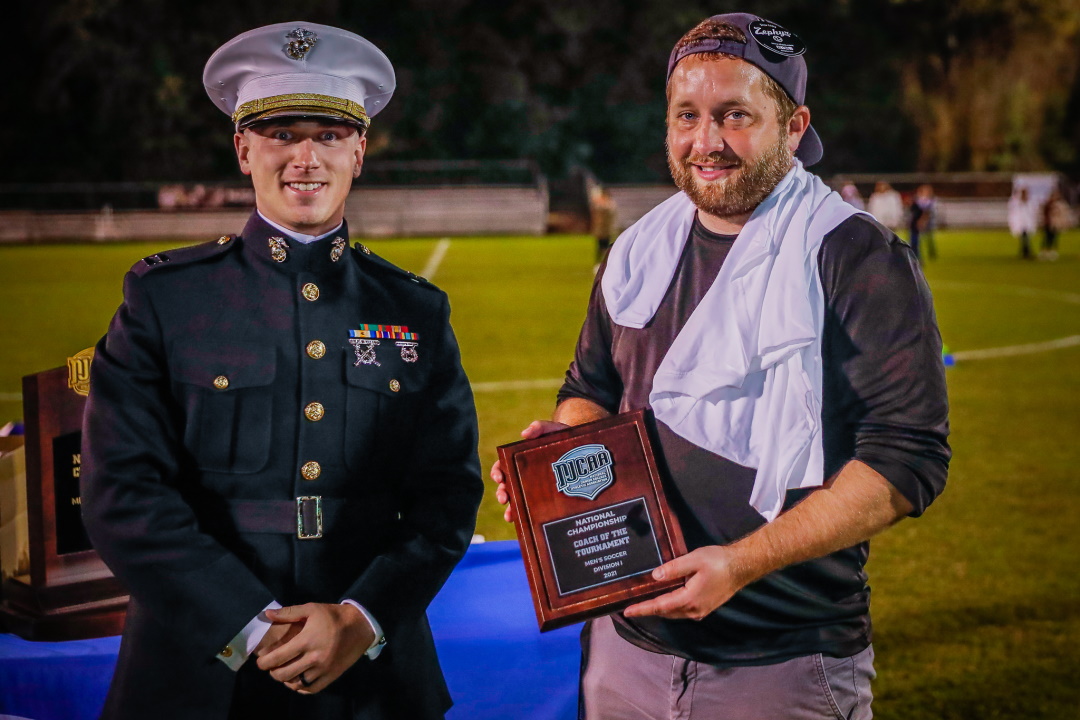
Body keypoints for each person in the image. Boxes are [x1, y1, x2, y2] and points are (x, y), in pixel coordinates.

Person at [490, 13, 949, 720]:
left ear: (793, 127)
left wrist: (741, 563)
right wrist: (564, 455)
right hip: (625, 647)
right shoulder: (636, 251)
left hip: (781, 660)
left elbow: (906, 459)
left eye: (735, 115)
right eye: (687, 115)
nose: (705, 142)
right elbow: (591, 386)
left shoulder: (857, 256)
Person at [81, 22, 482, 720]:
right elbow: (121, 492)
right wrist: (251, 627)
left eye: (329, 135)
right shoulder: (165, 299)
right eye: (281, 134)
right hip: (198, 674)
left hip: (369, 678)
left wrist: (361, 618)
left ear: (359, 151)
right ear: (243, 149)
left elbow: (448, 497)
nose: (306, 158)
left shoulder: (415, 310)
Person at [591, 187, 618, 267]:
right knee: (600, 245)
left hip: (607, 228)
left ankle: (603, 261)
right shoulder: (602, 203)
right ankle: (599, 262)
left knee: (606, 245)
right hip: (602, 228)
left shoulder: (609, 203)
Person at [908, 183, 936, 262]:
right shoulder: (917, 200)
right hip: (914, 223)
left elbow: (926, 212)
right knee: (915, 240)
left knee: (919, 240)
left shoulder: (927, 201)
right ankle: (917, 256)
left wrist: (922, 221)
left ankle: (918, 256)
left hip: (918, 222)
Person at [1009, 186, 1039, 259]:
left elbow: (1033, 211)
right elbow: (1013, 210)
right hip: (1021, 222)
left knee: (1026, 238)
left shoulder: (1030, 202)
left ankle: (1025, 252)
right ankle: (1026, 252)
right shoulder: (1016, 202)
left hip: (1027, 222)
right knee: (1024, 238)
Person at [1040, 189, 1069, 261]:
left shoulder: (1059, 204)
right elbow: (1044, 214)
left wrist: (1062, 222)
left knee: (1054, 238)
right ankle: (1044, 251)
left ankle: (1052, 251)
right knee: (1047, 238)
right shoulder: (1048, 204)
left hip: (1055, 223)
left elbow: (1063, 213)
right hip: (1048, 223)